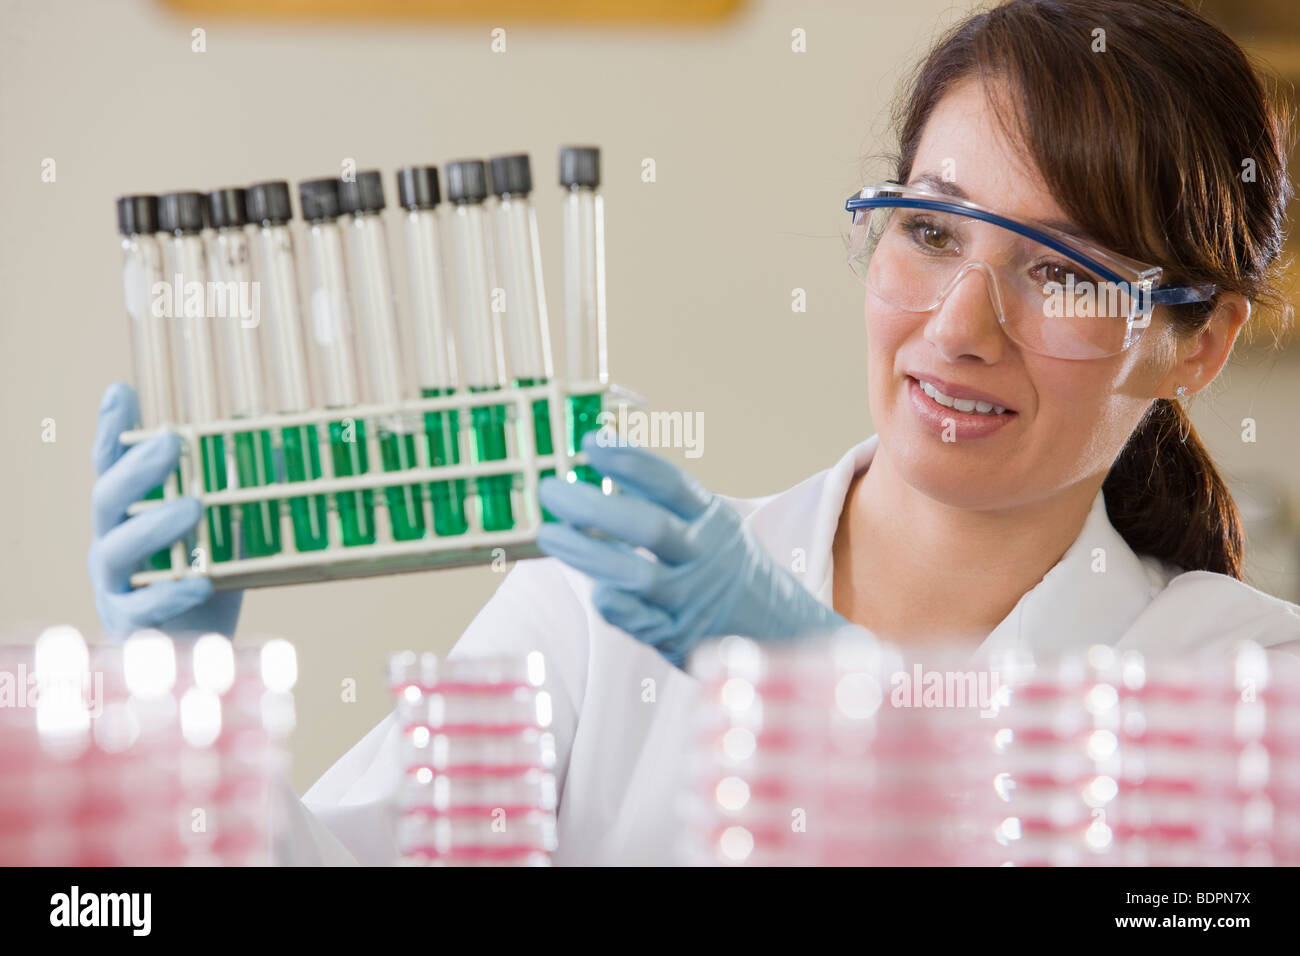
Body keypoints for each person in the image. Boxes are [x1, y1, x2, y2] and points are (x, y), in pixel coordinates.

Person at [89, 0, 1300, 865]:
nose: (960, 324)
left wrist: (812, 679)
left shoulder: (1243, 681)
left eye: (1064, 273)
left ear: (1196, 344)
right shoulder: (594, 610)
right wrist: (192, 711)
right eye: (931, 232)